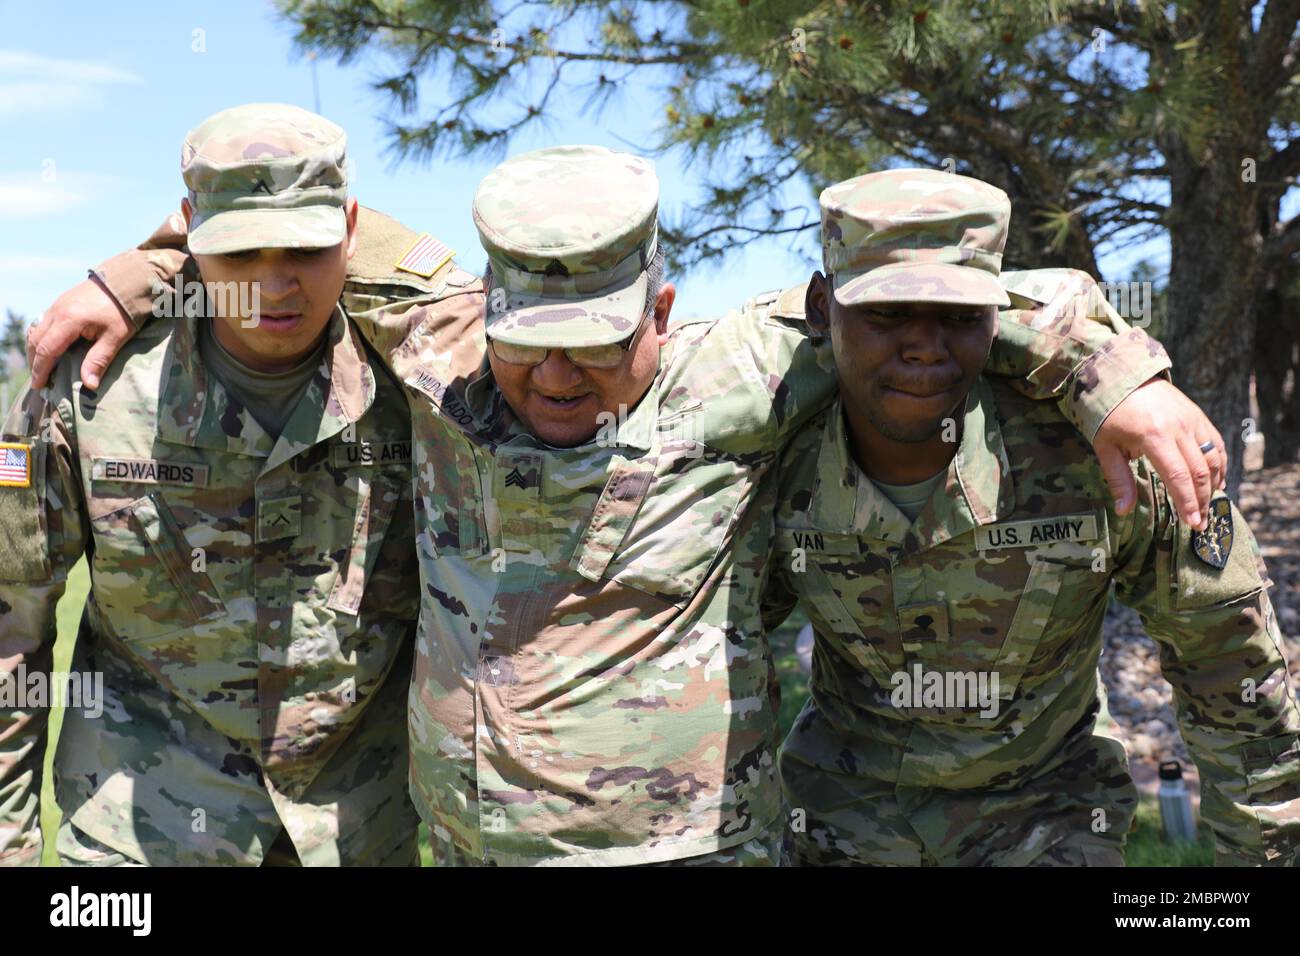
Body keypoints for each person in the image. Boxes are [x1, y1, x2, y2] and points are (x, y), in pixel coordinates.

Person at [27, 144, 1219, 865]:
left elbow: (934, 290)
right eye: (525, 342)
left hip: (692, 847)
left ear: (658, 307)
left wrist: (1112, 369)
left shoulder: (744, 369)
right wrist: (142, 265)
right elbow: (278, 220)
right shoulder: (439, 342)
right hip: (478, 846)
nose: (553, 377)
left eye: (593, 346)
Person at [763, 168, 1300, 866]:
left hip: (1049, 820)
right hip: (841, 823)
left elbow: (1230, 668)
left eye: (959, 316)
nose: (925, 345)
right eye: (888, 311)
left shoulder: (1102, 451)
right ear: (820, 307)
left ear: (999, 315)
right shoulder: (772, 448)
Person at [0, 103, 436, 866]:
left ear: (353, 229)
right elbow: (10, 629)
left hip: (357, 830)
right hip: (141, 833)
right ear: (190, 231)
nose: (275, 284)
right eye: (239, 253)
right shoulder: (80, 390)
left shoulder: (419, 382)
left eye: (304, 247)